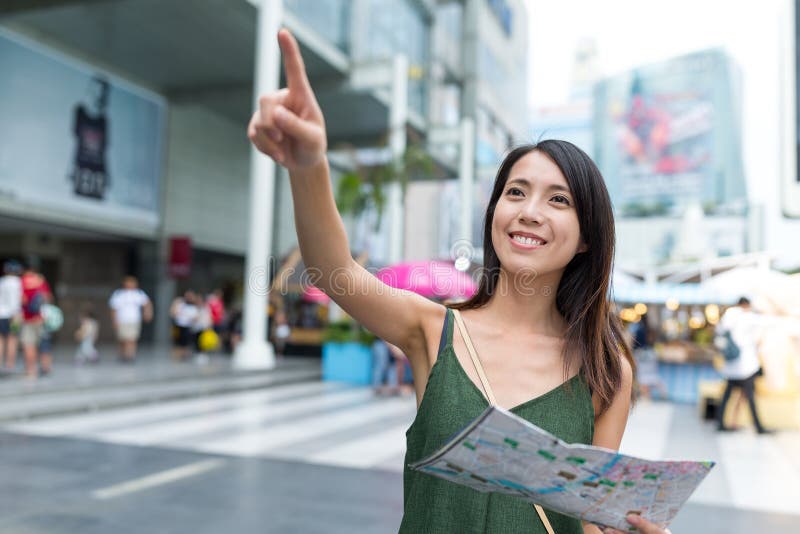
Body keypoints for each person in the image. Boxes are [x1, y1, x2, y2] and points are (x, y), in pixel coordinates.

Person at [248, 30, 636, 534]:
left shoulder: (606, 372)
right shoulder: (434, 329)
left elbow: (590, 524)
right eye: (516, 192)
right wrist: (308, 166)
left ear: (586, 237)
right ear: (495, 212)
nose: (531, 212)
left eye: (558, 200)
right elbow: (338, 271)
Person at [715, 297, 772, 434]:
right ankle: (758, 427)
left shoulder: (727, 317)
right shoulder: (748, 317)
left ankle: (720, 423)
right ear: (746, 305)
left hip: (732, 366)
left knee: (727, 396)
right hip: (746, 366)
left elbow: (719, 334)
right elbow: (767, 323)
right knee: (750, 398)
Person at [108, 276, 152, 363]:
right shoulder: (119, 294)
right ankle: (122, 354)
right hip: (122, 320)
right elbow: (114, 308)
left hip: (134, 320)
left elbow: (147, 303)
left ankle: (130, 356)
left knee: (132, 338)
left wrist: (148, 313)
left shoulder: (139, 293)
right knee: (123, 339)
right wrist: (114, 320)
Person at [20, 264, 52, 378]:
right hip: (41, 319)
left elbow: (22, 300)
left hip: (27, 319)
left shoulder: (22, 282)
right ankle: (46, 367)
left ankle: (31, 370)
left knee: (29, 345)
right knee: (44, 344)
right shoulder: (40, 280)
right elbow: (48, 297)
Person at [0, 260, 23, 371]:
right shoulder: (17, 282)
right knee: (12, 339)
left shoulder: (2, 281)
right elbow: (15, 301)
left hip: (1, 314)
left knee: (0, 340)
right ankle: (10, 364)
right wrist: (16, 315)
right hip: (12, 315)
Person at [170, 290, 199, 361]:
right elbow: (173, 313)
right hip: (179, 326)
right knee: (177, 342)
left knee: (186, 342)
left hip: (188, 327)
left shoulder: (194, 307)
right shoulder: (180, 304)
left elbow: (196, 318)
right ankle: (177, 356)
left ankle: (184, 356)